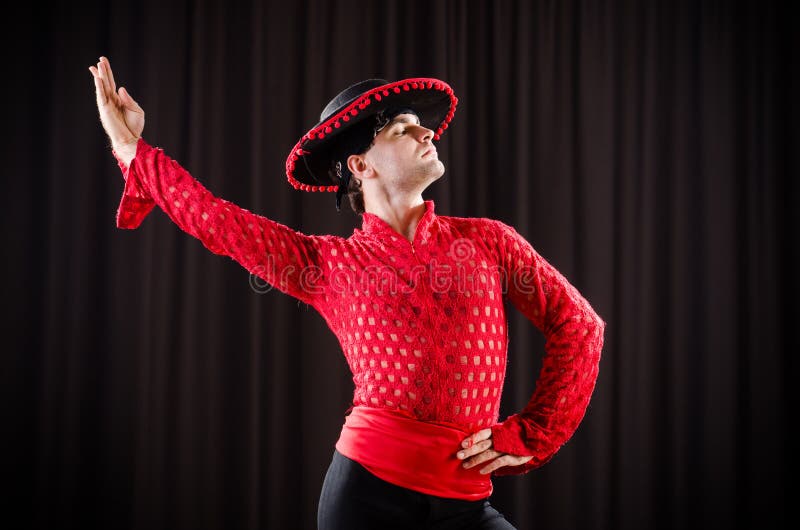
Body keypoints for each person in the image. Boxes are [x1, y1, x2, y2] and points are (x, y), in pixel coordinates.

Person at [89, 56, 606, 530]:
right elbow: (215, 219)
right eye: (403, 129)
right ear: (361, 165)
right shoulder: (325, 263)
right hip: (365, 500)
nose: (427, 133)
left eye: (419, 125)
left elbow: (581, 325)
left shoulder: (489, 239)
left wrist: (537, 434)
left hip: (465, 505)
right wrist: (129, 146)